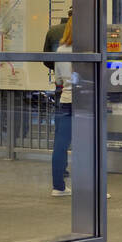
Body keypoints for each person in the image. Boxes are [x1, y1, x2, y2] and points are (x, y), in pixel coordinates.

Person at [50, 17, 74, 197]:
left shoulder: (60, 50)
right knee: (91, 145)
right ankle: (94, 188)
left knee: (61, 145)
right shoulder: (90, 49)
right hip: (87, 102)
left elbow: (58, 79)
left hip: (66, 99)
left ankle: (58, 187)